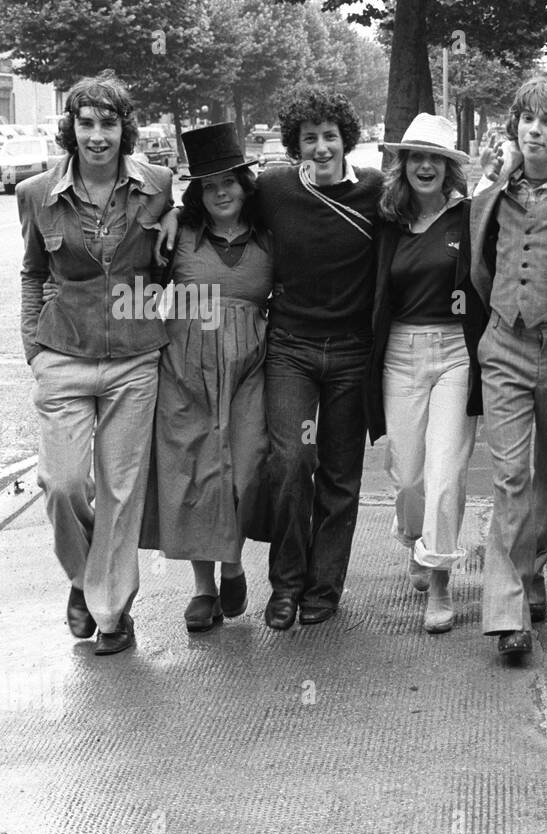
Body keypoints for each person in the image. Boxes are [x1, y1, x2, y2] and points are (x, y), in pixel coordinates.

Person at [161, 89, 383, 631]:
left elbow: (432, 210)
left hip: (353, 352)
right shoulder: (279, 188)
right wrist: (169, 211)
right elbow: (218, 200)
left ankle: (323, 587)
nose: (322, 146)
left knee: (339, 475)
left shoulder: (377, 191)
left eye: (330, 136)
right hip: (290, 349)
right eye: (310, 138)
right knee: (289, 465)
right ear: (295, 146)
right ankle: (284, 585)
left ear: (346, 139)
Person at [18, 72, 173, 655]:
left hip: (135, 358)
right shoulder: (36, 193)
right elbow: (33, 271)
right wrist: (33, 348)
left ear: (124, 129)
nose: (98, 135)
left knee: (121, 489)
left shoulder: (156, 184)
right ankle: (83, 579)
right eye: (87, 123)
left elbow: (178, 244)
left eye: (109, 122)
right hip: (62, 356)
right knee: (62, 484)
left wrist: (176, 217)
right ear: (72, 128)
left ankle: (111, 613)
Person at [470, 76, 547, 661]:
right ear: (515, 128)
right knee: (509, 479)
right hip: (504, 345)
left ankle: (533, 565)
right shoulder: (492, 194)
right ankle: (507, 612)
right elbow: (479, 271)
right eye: (527, 120)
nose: (536, 130)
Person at [139, 123, 272, 632]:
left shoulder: (269, 235)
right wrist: (170, 212)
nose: (220, 192)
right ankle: (202, 588)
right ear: (196, 191)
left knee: (245, 465)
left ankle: (233, 562)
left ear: (245, 183)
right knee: (192, 472)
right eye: (208, 184)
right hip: (184, 370)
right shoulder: (178, 237)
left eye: (229, 181)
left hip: (250, 369)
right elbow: (142, 292)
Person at [364, 114, 485, 634]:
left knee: (444, 473)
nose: (427, 166)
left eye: (436, 158)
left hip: (456, 352)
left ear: (449, 167)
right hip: (399, 353)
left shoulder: (470, 218)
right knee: (409, 473)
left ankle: (439, 581)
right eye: (418, 157)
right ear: (404, 164)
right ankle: (415, 534)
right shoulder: (386, 220)